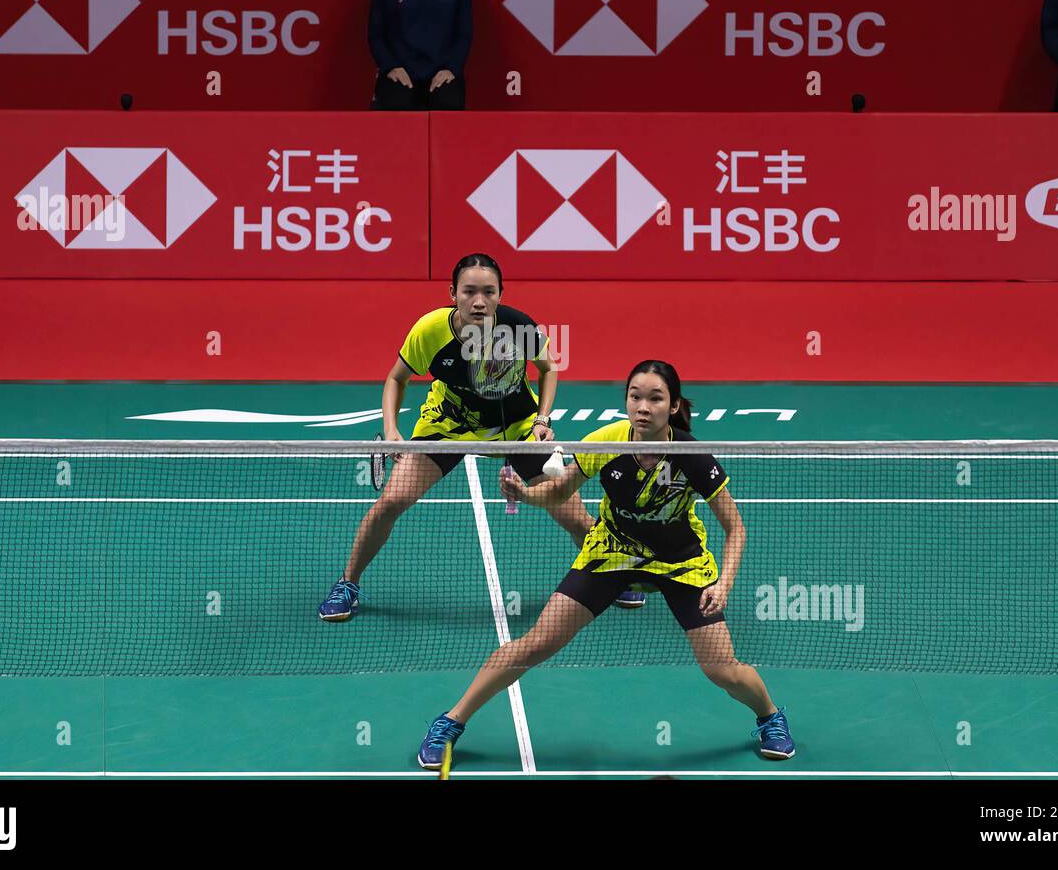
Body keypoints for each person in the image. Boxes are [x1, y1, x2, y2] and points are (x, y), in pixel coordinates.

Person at [415, 361, 795, 768]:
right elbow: (559, 493)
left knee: (723, 669)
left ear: (673, 406)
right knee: (535, 643)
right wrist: (525, 495)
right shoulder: (606, 440)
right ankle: (450, 721)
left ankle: (770, 715)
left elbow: (735, 529)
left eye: (655, 398)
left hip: (679, 563)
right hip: (612, 552)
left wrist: (724, 585)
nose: (643, 407)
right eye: (635, 396)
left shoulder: (691, 455)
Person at [318, 254, 603, 620]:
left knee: (575, 517)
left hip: (517, 428)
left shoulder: (519, 327)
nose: (479, 301)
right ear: (453, 293)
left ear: (501, 294)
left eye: (489, 292)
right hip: (447, 427)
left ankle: (609, 574)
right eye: (469, 291)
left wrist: (542, 419)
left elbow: (549, 367)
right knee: (390, 503)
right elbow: (396, 379)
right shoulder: (430, 331)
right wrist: (392, 432)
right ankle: (348, 583)